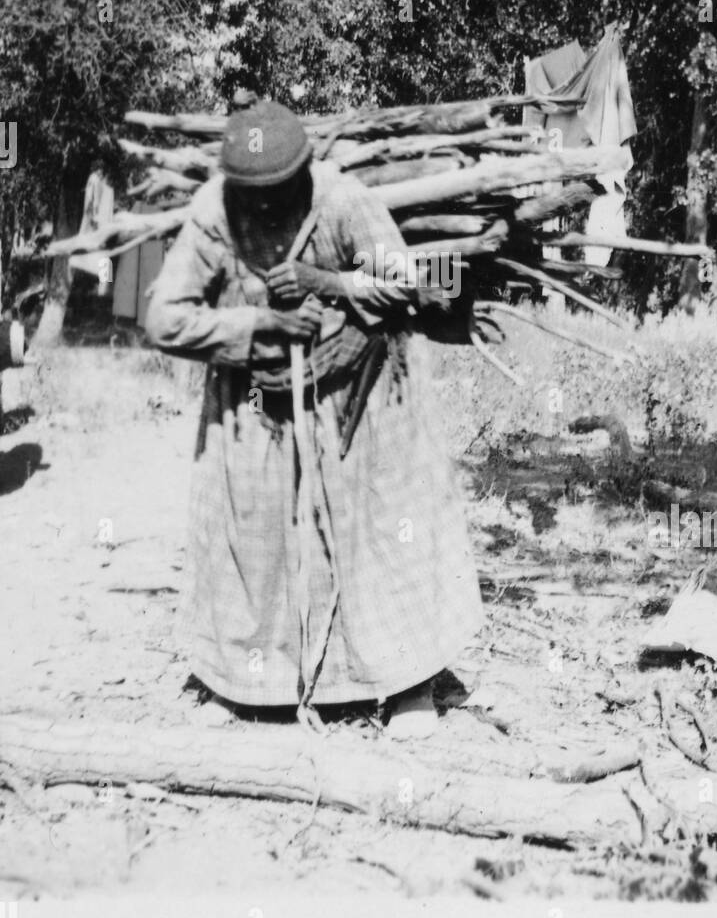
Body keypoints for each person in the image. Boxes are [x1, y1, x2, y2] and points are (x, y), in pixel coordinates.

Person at [145, 100, 482, 737]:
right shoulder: (215, 213)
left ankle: (407, 682)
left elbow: (408, 283)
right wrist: (259, 323)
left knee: (381, 529)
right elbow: (165, 317)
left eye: (280, 192)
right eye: (255, 195)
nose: (267, 208)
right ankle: (245, 682)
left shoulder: (342, 200)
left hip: (361, 392)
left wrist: (324, 281)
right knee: (252, 537)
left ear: (303, 174)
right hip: (256, 400)